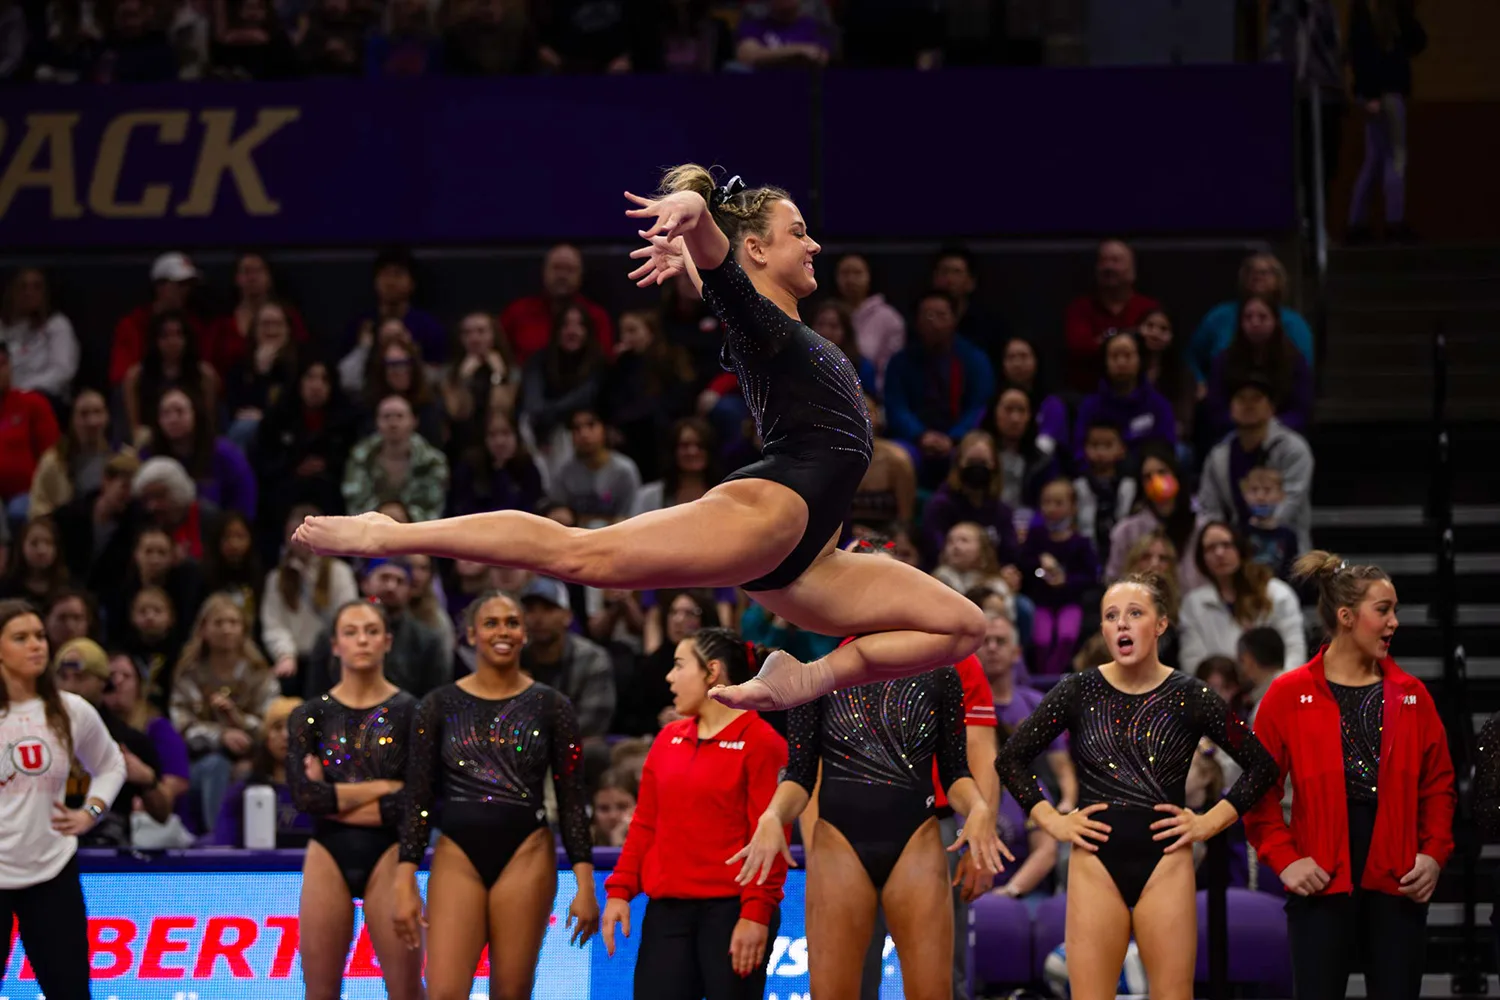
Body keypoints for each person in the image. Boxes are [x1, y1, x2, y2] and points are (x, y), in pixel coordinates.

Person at [293, 166, 988, 712]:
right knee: (582, 555)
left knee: (962, 628)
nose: (814, 245)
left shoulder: (772, 324)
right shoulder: (764, 324)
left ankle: (802, 680)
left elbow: (724, 282)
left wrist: (694, 252)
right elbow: (726, 275)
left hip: (815, 559)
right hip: (774, 513)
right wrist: (696, 217)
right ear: (755, 248)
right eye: (798, 232)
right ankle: (391, 533)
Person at [995, 574, 1279, 1000]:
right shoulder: (1077, 690)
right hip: (1095, 863)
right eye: (1111, 616)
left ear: (1161, 624)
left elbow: (1261, 766)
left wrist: (1209, 822)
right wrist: (1052, 821)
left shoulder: (1192, 695)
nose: (1122, 624)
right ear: (1103, 628)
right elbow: (1010, 759)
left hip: (1166, 864)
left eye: (1134, 614)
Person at [730, 621, 1006, 1000]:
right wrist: (774, 814)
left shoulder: (941, 674)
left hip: (916, 840)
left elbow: (956, 771)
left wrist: (978, 808)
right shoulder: (816, 675)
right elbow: (800, 776)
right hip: (840, 841)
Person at [1245, 552, 1453, 1000]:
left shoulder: (1412, 695)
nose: (1395, 622)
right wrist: (1285, 858)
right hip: (1320, 877)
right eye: (1383, 610)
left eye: (1395, 610)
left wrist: (1433, 853)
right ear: (1346, 617)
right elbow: (1257, 792)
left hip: (1398, 878)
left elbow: (1439, 786)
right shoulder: (1288, 693)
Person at [394, 591, 598, 1000]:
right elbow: (418, 797)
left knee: (511, 991)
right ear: (471, 634)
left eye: (512, 622)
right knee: (443, 991)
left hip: (526, 851)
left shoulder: (552, 706)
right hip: (458, 851)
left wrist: (585, 884)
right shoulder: (438, 705)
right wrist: (404, 878)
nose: (502, 631)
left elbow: (572, 798)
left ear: (524, 634)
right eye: (491, 623)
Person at [602, 627, 789, 1000]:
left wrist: (755, 914)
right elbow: (644, 825)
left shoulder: (763, 744)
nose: (669, 677)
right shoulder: (667, 739)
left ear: (712, 671)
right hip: (667, 913)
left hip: (732, 913)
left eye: (678, 665)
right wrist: (620, 891)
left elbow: (770, 841)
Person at [287, 600, 422, 1000]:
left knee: (406, 991)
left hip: (391, 852)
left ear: (387, 641)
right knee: (320, 992)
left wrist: (334, 799)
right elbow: (305, 798)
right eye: (351, 632)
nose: (362, 639)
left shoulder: (412, 713)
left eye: (371, 631)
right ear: (335, 645)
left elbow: (415, 803)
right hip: (327, 852)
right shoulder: (309, 715)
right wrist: (384, 787)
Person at [0, 599, 125, 999]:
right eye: (21, 638)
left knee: (70, 992)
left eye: (39, 635)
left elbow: (111, 764)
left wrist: (90, 811)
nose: (36, 645)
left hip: (52, 871)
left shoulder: (70, 710)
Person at [883, 289, 997, 486]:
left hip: (959, 440)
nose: (934, 323)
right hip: (914, 441)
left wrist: (954, 437)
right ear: (917, 321)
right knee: (895, 457)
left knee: (976, 455)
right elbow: (896, 406)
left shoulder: (974, 359)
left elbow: (979, 406)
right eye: (928, 316)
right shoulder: (900, 362)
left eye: (941, 315)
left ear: (954, 319)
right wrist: (920, 434)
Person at [1197, 373, 1315, 556]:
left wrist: (1259, 533)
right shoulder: (1219, 456)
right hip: (1236, 552)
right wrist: (1222, 541)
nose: (1248, 404)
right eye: (1241, 398)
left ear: (1271, 407)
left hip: (1285, 549)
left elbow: (1291, 502)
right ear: (1231, 408)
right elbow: (1209, 509)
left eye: (1256, 398)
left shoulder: (1293, 448)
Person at [1178, 522, 1307, 675]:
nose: (1219, 553)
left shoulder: (1277, 593)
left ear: (1240, 549)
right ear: (1202, 559)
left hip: (1275, 686)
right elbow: (1193, 662)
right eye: (1210, 548)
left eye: (1226, 545)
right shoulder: (1193, 604)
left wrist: (1276, 687)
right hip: (1217, 688)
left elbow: (1295, 652)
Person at [1346, 0, 1426, 243]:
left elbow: (1359, 52)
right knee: (1395, 157)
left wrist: (1366, 92)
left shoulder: (1367, 10)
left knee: (1375, 159)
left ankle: (1357, 223)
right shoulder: (1381, 12)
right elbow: (1364, 52)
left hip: (1375, 94)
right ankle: (1393, 222)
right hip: (1387, 92)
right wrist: (1370, 92)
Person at [1187, 254, 1315, 384]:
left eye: (1265, 272)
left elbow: (1303, 372)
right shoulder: (1220, 316)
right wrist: (1200, 382)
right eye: (1251, 271)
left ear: (1279, 280)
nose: (1258, 276)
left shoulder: (1294, 323)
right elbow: (1192, 357)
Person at [1062, 240, 1161, 392]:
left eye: (1116, 261)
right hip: (1087, 393)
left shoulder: (1149, 308)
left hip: (1142, 394)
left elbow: (1157, 347)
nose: (1108, 267)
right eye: (1104, 261)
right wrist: (1131, 337)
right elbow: (1079, 348)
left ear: (1132, 271)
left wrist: (1103, 340)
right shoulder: (1079, 308)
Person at [500, 243, 615, 363]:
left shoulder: (596, 317)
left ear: (580, 275)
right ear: (544, 272)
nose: (562, 275)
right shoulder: (517, 312)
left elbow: (605, 362)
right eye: (556, 268)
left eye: (570, 270)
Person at [28, 389, 131, 520]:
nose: (92, 421)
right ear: (73, 419)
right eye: (84, 414)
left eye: (98, 412)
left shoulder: (123, 455)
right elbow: (38, 506)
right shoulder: (54, 460)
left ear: (107, 417)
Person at [0, 340, 61, 515]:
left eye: (3, 364)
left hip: (28, 494)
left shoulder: (32, 403)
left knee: (19, 510)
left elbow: (52, 455)